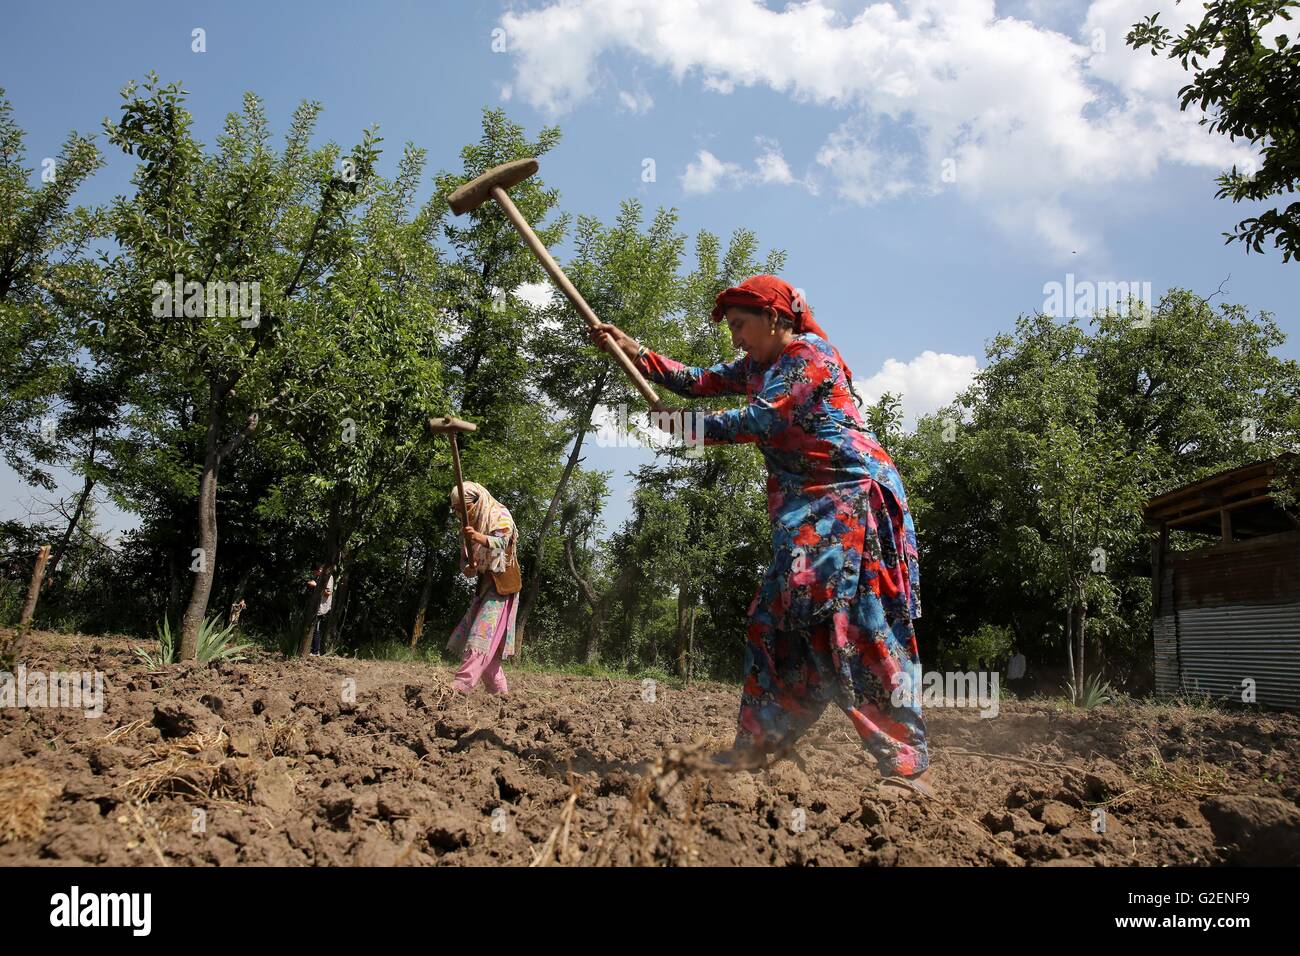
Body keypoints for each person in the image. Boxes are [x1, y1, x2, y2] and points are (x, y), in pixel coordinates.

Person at [590, 275, 933, 797]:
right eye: (730, 327)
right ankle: (759, 746)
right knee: (770, 620)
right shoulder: (759, 366)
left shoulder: (809, 355)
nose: (734, 337)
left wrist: (686, 427)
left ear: (775, 318)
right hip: (807, 514)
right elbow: (696, 379)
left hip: (850, 500)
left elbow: (760, 419)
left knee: (852, 622)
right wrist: (632, 350)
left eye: (740, 324)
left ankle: (904, 758)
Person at [447, 481, 521, 696]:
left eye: (463, 509)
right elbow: (466, 562)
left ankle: (460, 686)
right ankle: (500, 697)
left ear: (476, 502)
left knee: (481, 638)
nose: (460, 515)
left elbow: (502, 541)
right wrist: (468, 568)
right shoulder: (470, 526)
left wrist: (478, 537)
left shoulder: (499, 514)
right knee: (489, 656)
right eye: (456, 511)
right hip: (485, 586)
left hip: (502, 587)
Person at [305, 565, 333, 656]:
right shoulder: (319, 577)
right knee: (312, 628)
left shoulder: (328, 577)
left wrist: (316, 585)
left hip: (322, 608)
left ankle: (315, 651)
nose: (315, 573)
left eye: (316, 571)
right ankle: (312, 650)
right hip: (316, 607)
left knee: (316, 629)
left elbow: (328, 593)